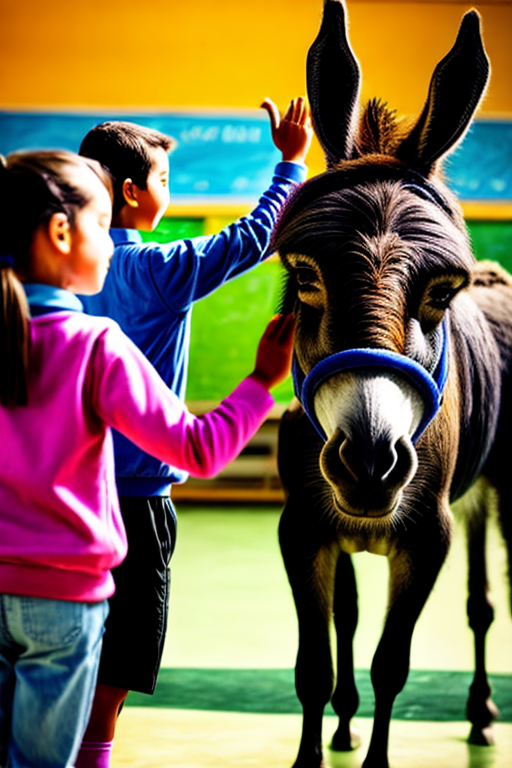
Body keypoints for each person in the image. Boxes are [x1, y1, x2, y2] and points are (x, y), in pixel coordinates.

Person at [0, 149, 295, 768]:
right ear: (61, 233)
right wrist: (260, 381)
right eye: (102, 225)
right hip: (64, 595)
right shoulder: (94, 344)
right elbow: (199, 448)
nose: (112, 246)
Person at [74, 97, 311, 766]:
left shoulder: (53, 275)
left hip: (62, 495)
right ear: (130, 193)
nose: (167, 194)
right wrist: (290, 161)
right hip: (140, 501)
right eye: (163, 182)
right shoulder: (157, 270)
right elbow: (257, 235)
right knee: (121, 654)